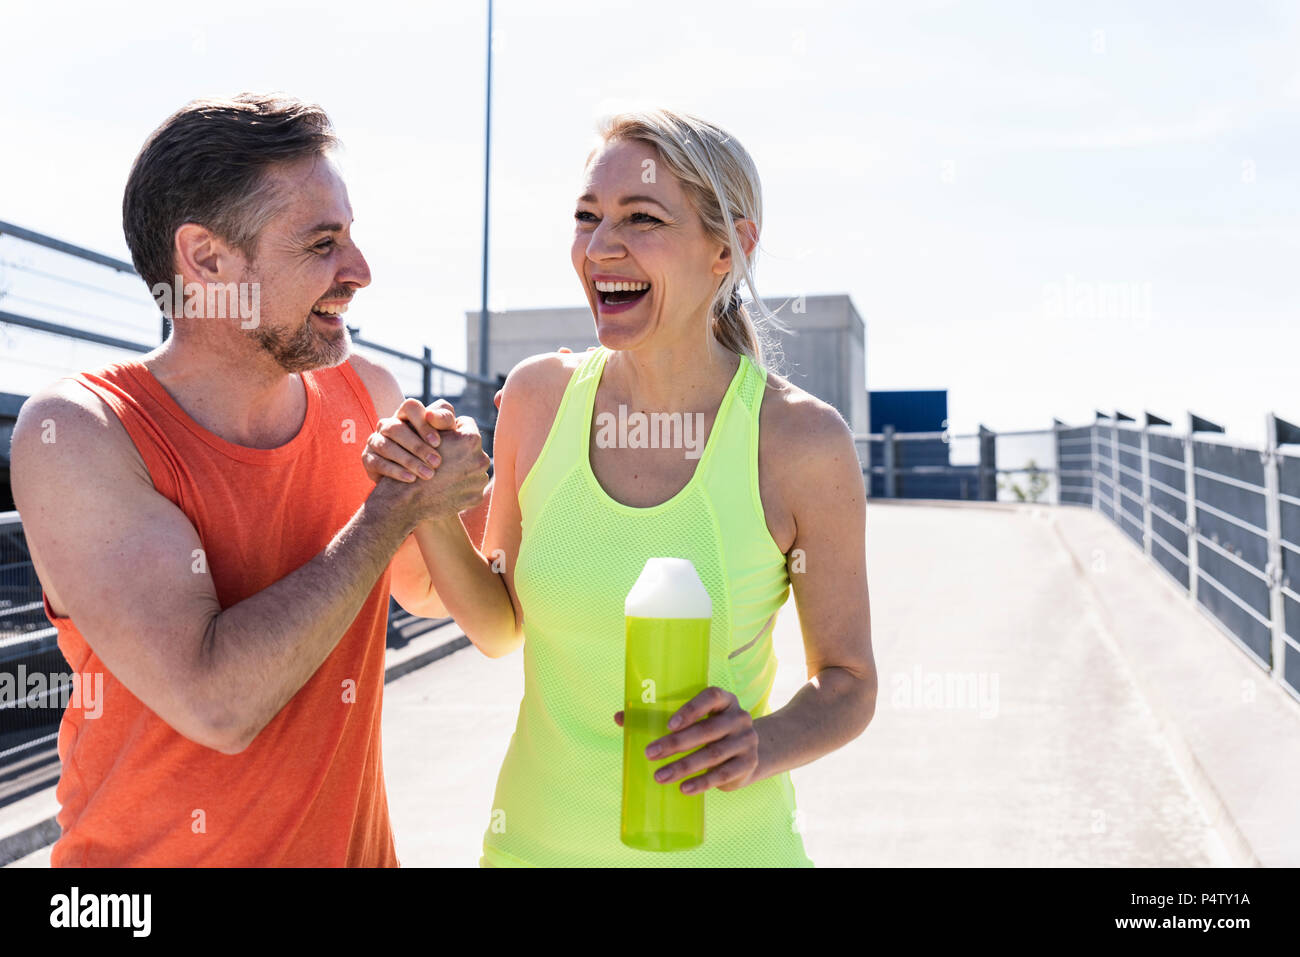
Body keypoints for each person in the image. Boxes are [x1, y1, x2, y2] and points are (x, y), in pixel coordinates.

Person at [364, 109, 876, 867]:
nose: (603, 247)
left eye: (642, 217)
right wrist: (431, 502)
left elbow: (849, 681)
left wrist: (757, 742)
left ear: (728, 250)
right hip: (534, 847)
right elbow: (501, 625)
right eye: (587, 218)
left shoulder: (801, 442)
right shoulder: (539, 398)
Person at [9, 93, 491, 866]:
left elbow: (439, 594)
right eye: (322, 243)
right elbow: (217, 701)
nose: (359, 271)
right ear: (205, 260)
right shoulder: (82, 431)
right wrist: (392, 509)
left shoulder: (366, 395)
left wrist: (466, 488)